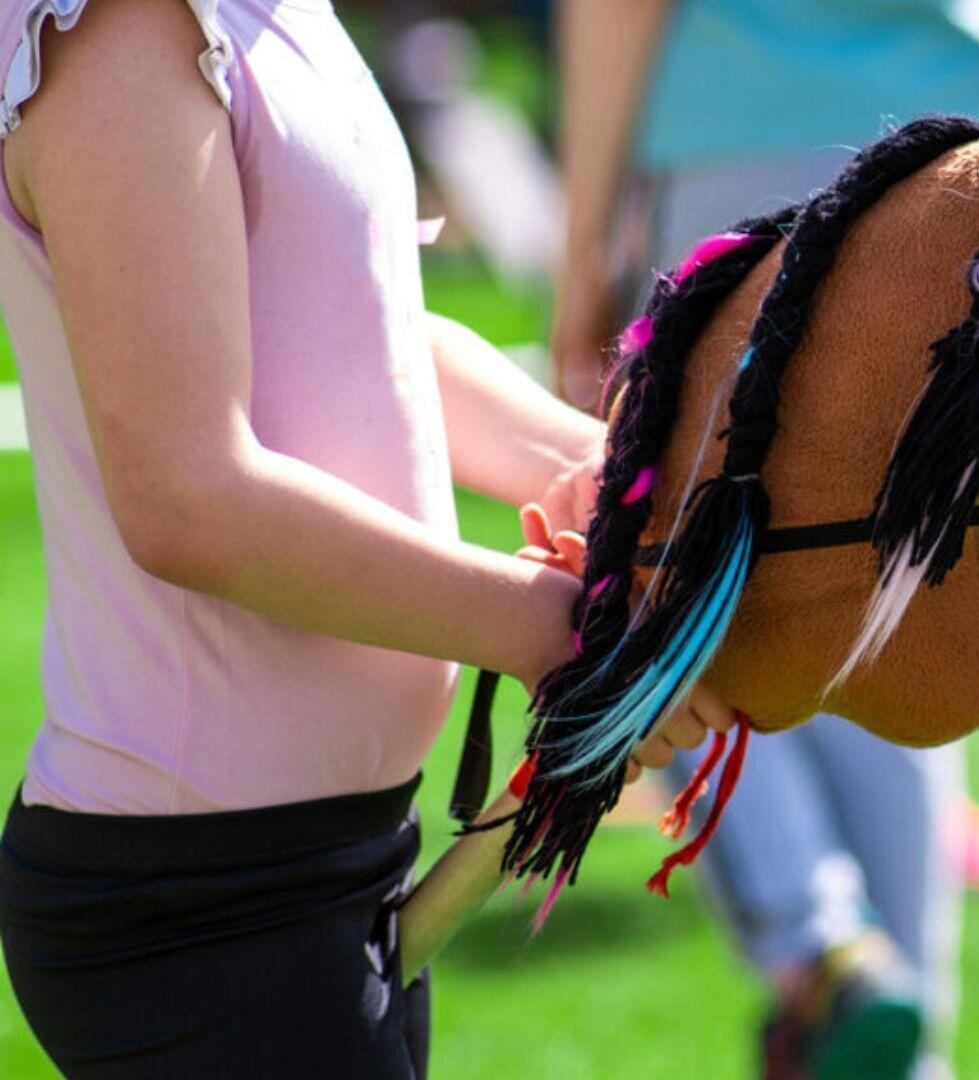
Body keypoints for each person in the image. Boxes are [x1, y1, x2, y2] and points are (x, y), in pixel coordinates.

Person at [0, 2, 731, 1075]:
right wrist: (563, 631)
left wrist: (629, 488)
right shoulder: (120, 31)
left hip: (333, 864)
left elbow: (369, 336)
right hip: (201, 908)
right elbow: (186, 499)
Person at [551, 2, 979, 1076]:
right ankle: (903, 1023)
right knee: (904, 583)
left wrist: (582, 243)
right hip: (964, 157)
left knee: (694, 587)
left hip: (734, 150)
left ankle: (818, 947)